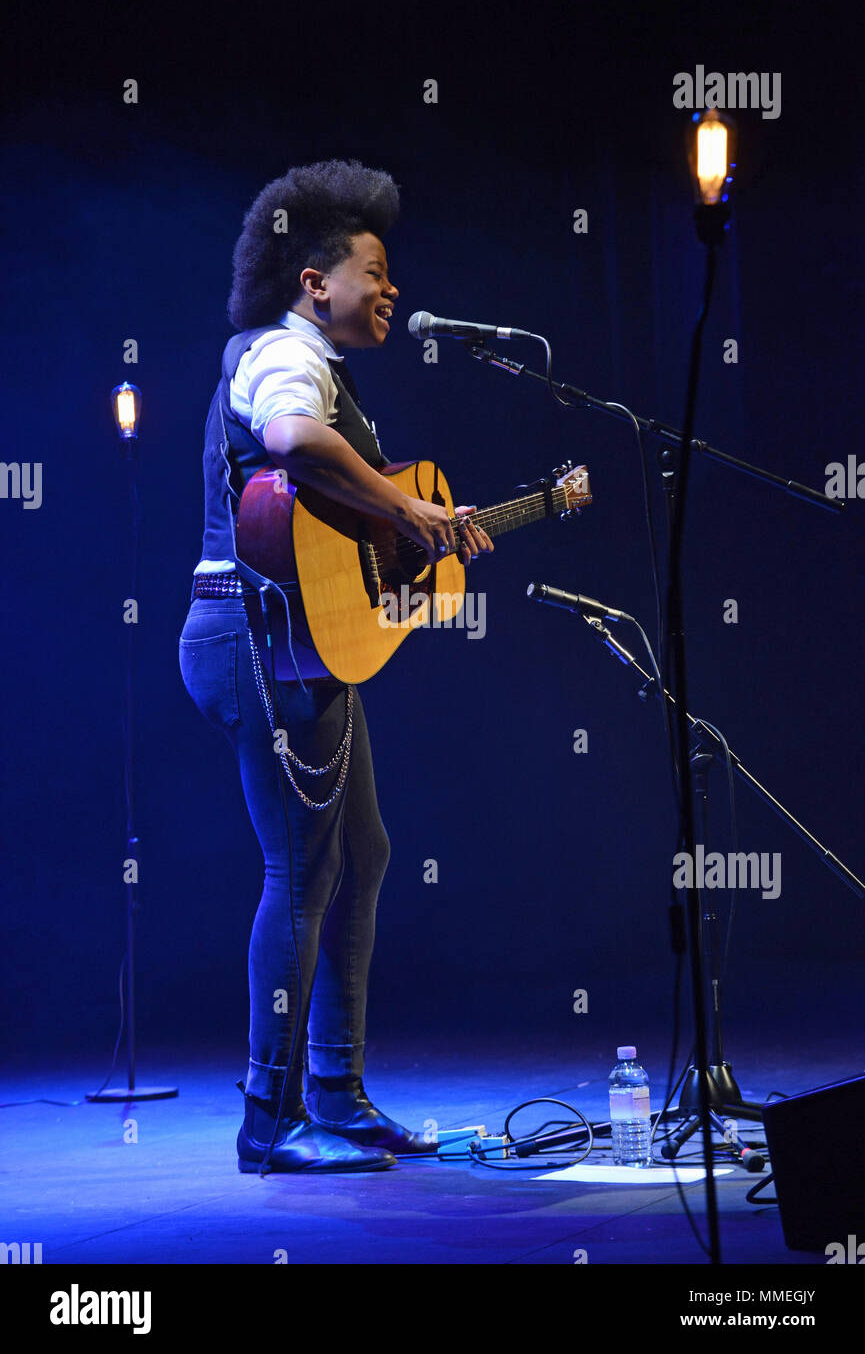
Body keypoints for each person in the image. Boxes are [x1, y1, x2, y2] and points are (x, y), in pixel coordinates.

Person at [179, 159, 493, 1174]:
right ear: (315, 280)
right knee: (302, 871)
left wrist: (417, 537)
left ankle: (337, 1093)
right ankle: (268, 1121)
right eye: (375, 269)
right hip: (252, 636)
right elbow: (287, 437)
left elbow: (332, 521)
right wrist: (407, 509)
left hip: (296, 640)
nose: (392, 289)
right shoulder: (283, 351)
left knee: (363, 855)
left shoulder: (328, 365)